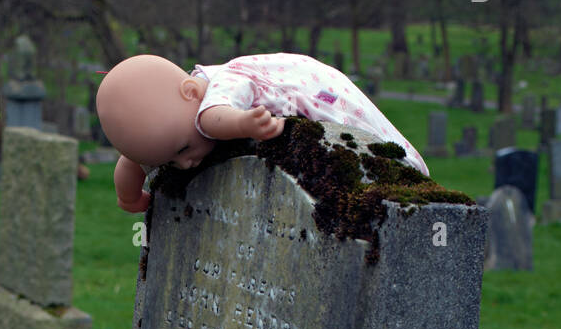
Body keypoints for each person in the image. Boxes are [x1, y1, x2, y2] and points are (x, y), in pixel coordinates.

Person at [96, 52, 429, 213]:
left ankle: (411, 170)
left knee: (372, 142)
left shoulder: (221, 86)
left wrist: (244, 125)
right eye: (167, 159)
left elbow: (212, 119)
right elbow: (129, 163)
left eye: (182, 150)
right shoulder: (162, 130)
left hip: (314, 89)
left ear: (191, 92)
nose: (183, 165)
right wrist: (130, 198)